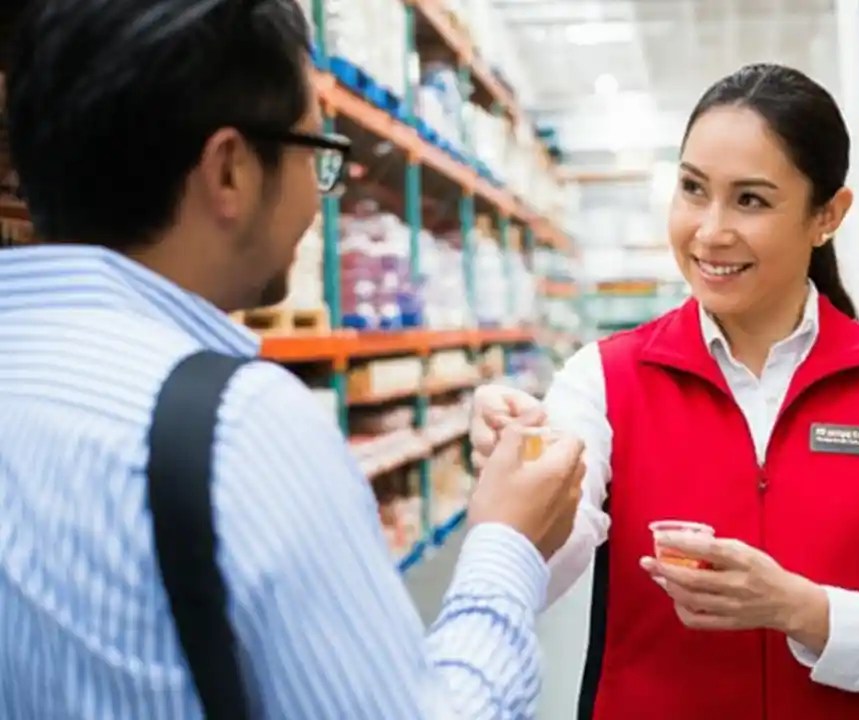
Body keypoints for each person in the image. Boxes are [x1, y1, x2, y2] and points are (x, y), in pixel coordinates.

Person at [0, 1, 585, 718]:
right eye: (319, 153)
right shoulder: (238, 429)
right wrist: (508, 543)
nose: (319, 197)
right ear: (231, 172)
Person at [472, 63, 859, 719]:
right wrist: (512, 477)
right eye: (693, 189)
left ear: (827, 215)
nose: (710, 231)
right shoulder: (604, 378)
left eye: (751, 199)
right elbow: (541, 570)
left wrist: (805, 611)